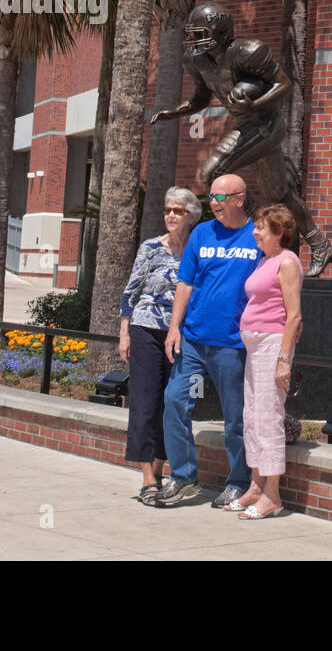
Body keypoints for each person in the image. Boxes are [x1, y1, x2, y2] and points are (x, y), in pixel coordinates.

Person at [150, 2, 332, 277]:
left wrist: (255, 103)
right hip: (248, 126)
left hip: (265, 125)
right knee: (280, 194)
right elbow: (200, 98)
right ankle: (320, 244)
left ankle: (260, 223)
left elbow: (283, 83)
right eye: (194, 34)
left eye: (202, 33)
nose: (195, 40)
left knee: (212, 171)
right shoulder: (197, 60)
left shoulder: (249, 52)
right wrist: (174, 112)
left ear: (222, 32)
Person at [155, 173, 259, 507]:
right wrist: (174, 328)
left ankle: (238, 482)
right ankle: (184, 477)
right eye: (210, 197)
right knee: (174, 402)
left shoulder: (257, 235)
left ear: (240, 199)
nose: (212, 203)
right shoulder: (201, 234)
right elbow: (184, 284)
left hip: (233, 344)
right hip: (194, 339)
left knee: (236, 416)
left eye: (220, 197)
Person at [119, 186, 200, 505]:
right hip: (146, 330)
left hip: (181, 334)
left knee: (174, 403)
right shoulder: (151, 247)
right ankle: (148, 478)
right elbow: (130, 291)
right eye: (168, 209)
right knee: (145, 401)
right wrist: (124, 332)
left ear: (191, 216)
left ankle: (162, 469)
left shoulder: (197, 251)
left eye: (178, 211)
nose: (170, 215)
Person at [223, 204, 303, 520]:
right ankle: (255, 486)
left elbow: (294, 314)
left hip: (272, 346)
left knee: (269, 415)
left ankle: (273, 494)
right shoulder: (264, 261)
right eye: (255, 226)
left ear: (279, 231)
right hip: (255, 346)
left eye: (260, 228)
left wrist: (284, 360)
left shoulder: (287, 261)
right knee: (252, 414)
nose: (254, 232)